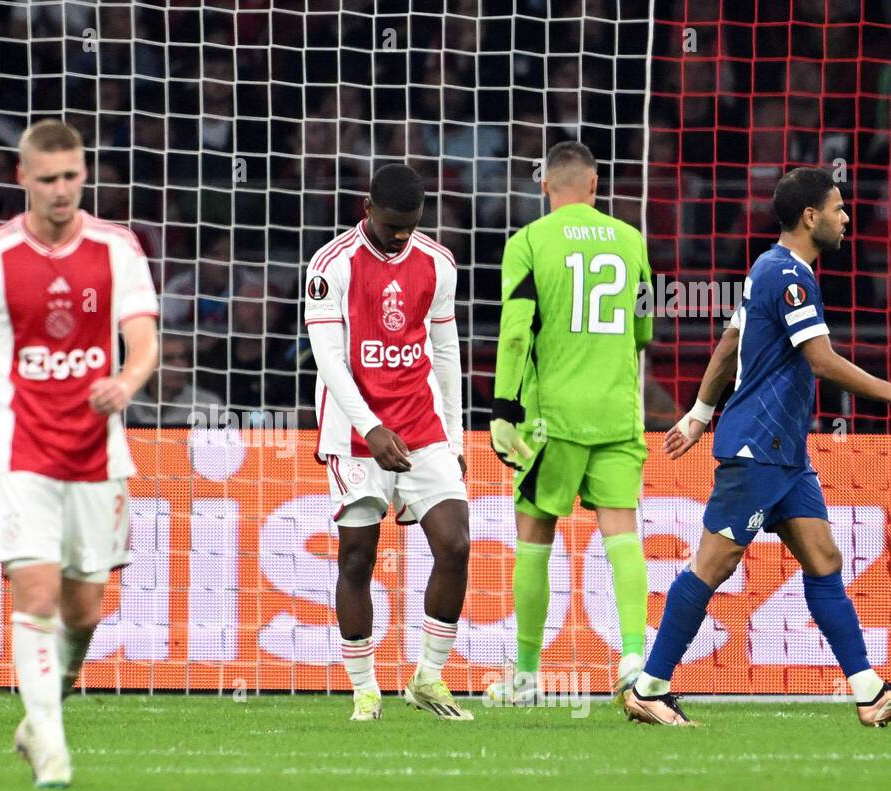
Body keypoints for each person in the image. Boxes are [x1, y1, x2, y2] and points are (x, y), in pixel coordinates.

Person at [625, 167, 891, 727]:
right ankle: (649, 687)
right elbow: (820, 360)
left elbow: (728, 342)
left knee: (824, 559)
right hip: (757, 449)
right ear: (810, 217)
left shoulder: (769, 269)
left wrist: (698, 413)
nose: (847, 218)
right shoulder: (789, 275)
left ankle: (869, 693)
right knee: (712, 565)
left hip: (786, 454)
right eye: (839, 209)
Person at [0, 120, 159, 788]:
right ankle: (54, 753)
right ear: (22, 179)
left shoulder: (117, 248)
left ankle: (41, 717)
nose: (62, 191)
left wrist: (127, 380)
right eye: (49, 179)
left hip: (98, 453)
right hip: (23, 447)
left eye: (72, 177)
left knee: (85, 612)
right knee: (35, 592)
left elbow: (144, 338)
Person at [484, 141, 654, 704]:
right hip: (616, 412)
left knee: (534, 536)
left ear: (544, 187)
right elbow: (645, 330)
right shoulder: (632, 241)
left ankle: (528, 675)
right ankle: (634, 661)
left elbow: (515, 331)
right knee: (622, 536)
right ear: (596, 184)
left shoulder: (528, 242)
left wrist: (504, 408)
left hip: (550, 420)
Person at [304, 163, 472, 722]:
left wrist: (453, 434)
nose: (401, 235)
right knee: (357, 558)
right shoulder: (331, 266)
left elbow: (445, 354)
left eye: (411, 225)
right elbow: (329, 361)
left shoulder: (439, 263)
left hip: (423, 427)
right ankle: (365, 688)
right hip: (355, 433)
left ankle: (428, 676)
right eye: (392, 225)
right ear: (367, 209)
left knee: (455, 544)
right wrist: (371, 428)